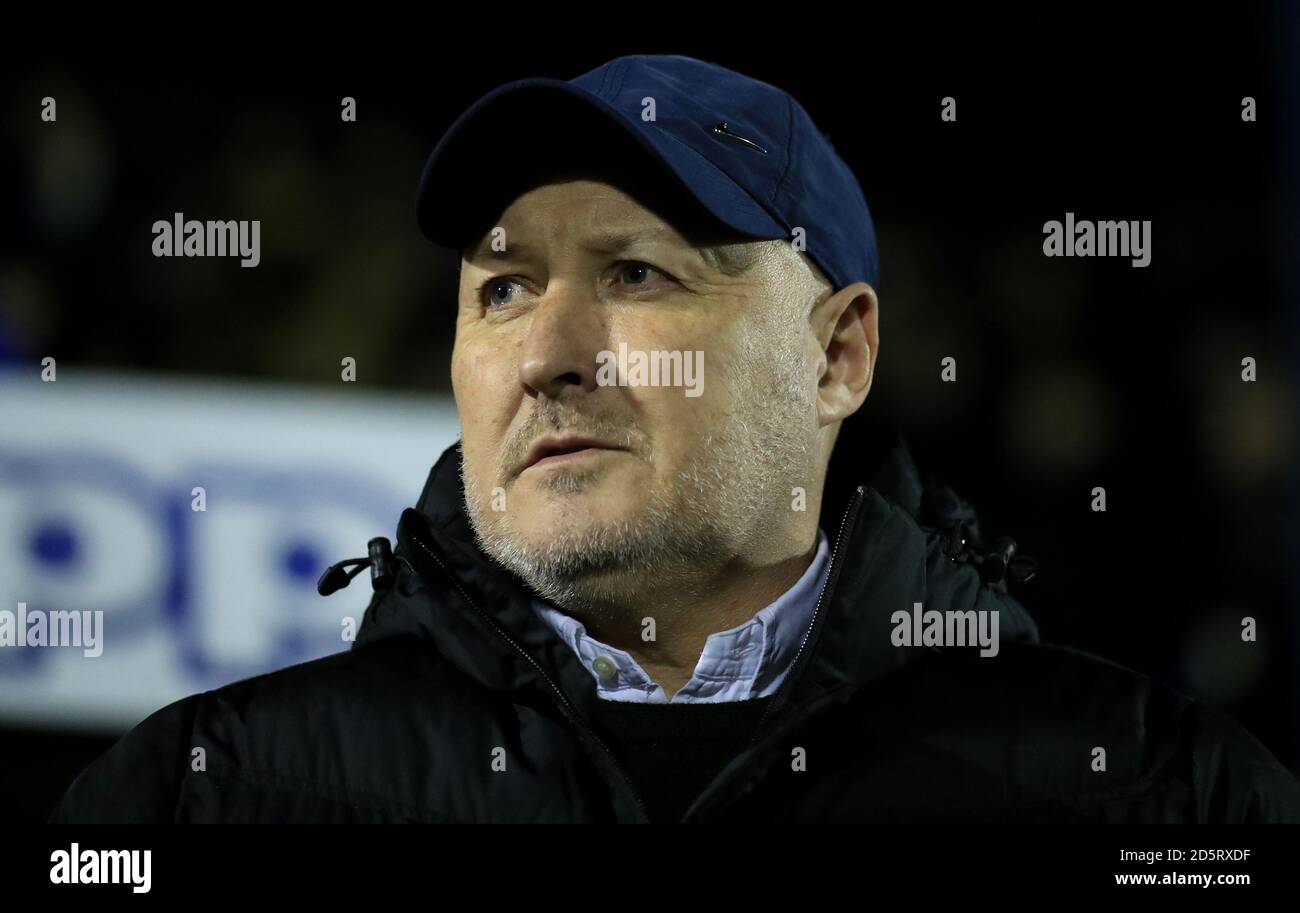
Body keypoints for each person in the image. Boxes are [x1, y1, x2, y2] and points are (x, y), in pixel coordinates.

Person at [51, 55, 1300, 823]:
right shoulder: (193, 796)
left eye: (639, 274)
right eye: (500, 289)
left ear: (836, 356)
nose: (545, 354)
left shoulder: (1163, 797)